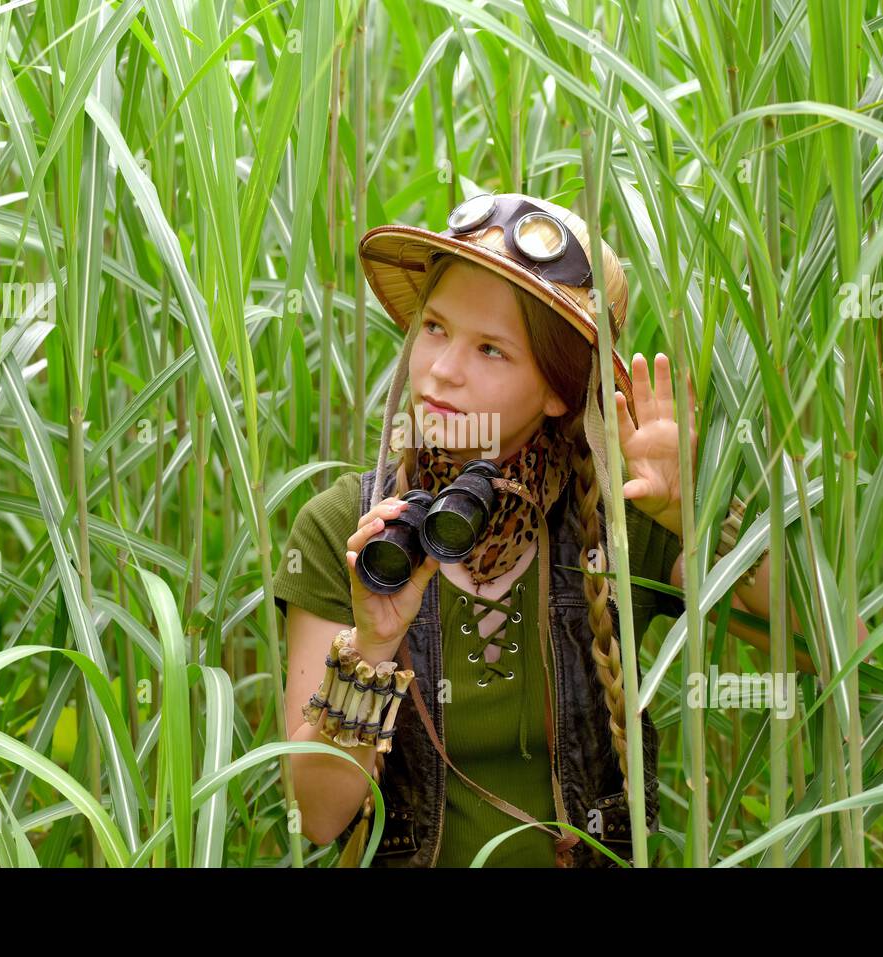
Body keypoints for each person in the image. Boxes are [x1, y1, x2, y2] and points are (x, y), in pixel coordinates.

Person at [272, 192, 805, 868]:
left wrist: (697, 519)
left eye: (491, 349)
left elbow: (830, 649)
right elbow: (318, 815)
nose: (440, 368)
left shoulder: (623, 520)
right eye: (434, 327)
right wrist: (373, 641)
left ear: (559, 386)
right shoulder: (348, 530)